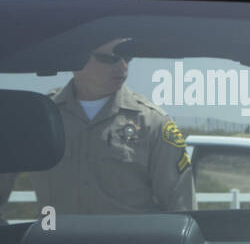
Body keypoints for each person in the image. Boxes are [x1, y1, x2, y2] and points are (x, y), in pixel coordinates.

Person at [0, 37, 194, 216]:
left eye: (127, 57)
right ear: (76, 59)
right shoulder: (38, 118)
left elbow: (182, 210)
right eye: (109, 59)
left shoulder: (153, 123)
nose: (122, 66)